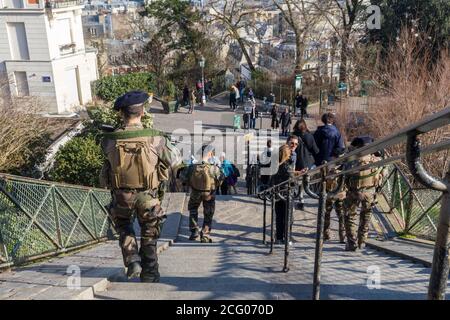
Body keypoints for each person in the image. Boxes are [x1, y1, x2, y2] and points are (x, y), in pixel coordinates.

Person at [99, 91, 181, 283]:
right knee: (149, 232)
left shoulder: (109, 140)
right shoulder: (156, 138)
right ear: (142, 112)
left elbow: (107, 160)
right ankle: (150, 272)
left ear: (121, 114)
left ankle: (132, 260)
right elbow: (175, 160)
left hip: (121, 195)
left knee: (124, 227)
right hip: (148, 195)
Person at [344, 136, 385, 251]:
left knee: (349, 216)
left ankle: (351, 243)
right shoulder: (377, 160)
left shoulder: (351, 160)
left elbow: (344, 174)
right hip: (370, 192)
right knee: (366, 216)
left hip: (354, 192)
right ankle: (362, 241)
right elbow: (383, 173)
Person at [182, 145, 224, 243]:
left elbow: (184, 178)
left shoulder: (193, 167)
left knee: (193, 210)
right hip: (209, 193)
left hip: (195, 192)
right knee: (208, 213)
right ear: (210, 154)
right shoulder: (213, 168)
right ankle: (205, 234)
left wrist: (192, 184)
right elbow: (221, 179)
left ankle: (194, 231)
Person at [292, 119, 319, 210]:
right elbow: (315, 150)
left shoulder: (293, 136)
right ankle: (302, 198)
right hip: (308, 162)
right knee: (305, 181)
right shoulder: (309, 136)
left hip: (296, 162)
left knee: (298, 181)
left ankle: (300, 198)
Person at [324, 166, 346, 243]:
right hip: (331, 193)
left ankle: (341, 236)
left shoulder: (344, 165)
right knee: (327, 213)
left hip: (338, 194)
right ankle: (327, 234)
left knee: (340, 214)